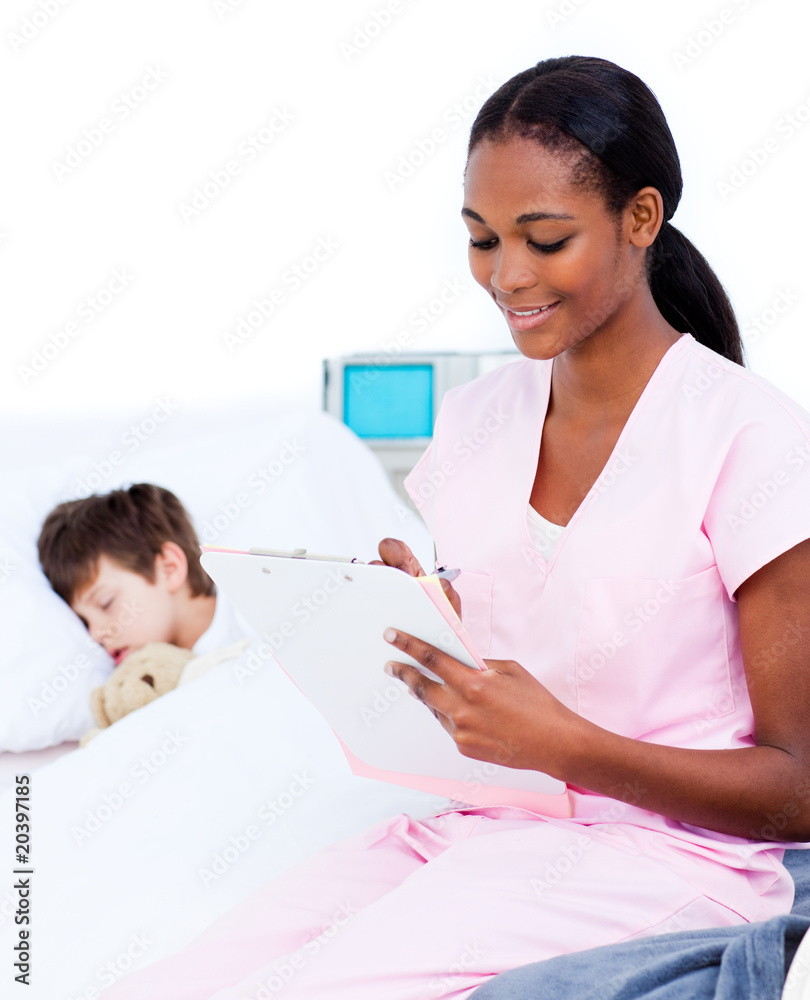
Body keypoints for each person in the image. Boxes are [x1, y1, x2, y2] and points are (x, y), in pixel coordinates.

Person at [100, 55, 810, 1000]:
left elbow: (799, 789)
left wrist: (566, 745)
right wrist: (416, 623)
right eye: (481, 239)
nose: (506, 276)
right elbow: (526, 654)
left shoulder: (752, 440)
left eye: (546, 239)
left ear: (641, 218)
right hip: (483, 828)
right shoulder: (477, 422)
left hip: (666, 860)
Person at [37, 482, 251, 661]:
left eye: (106, 603)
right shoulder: (145, 682)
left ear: (169, 568)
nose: (96, 635)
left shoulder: (251, 620)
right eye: (84, 622)